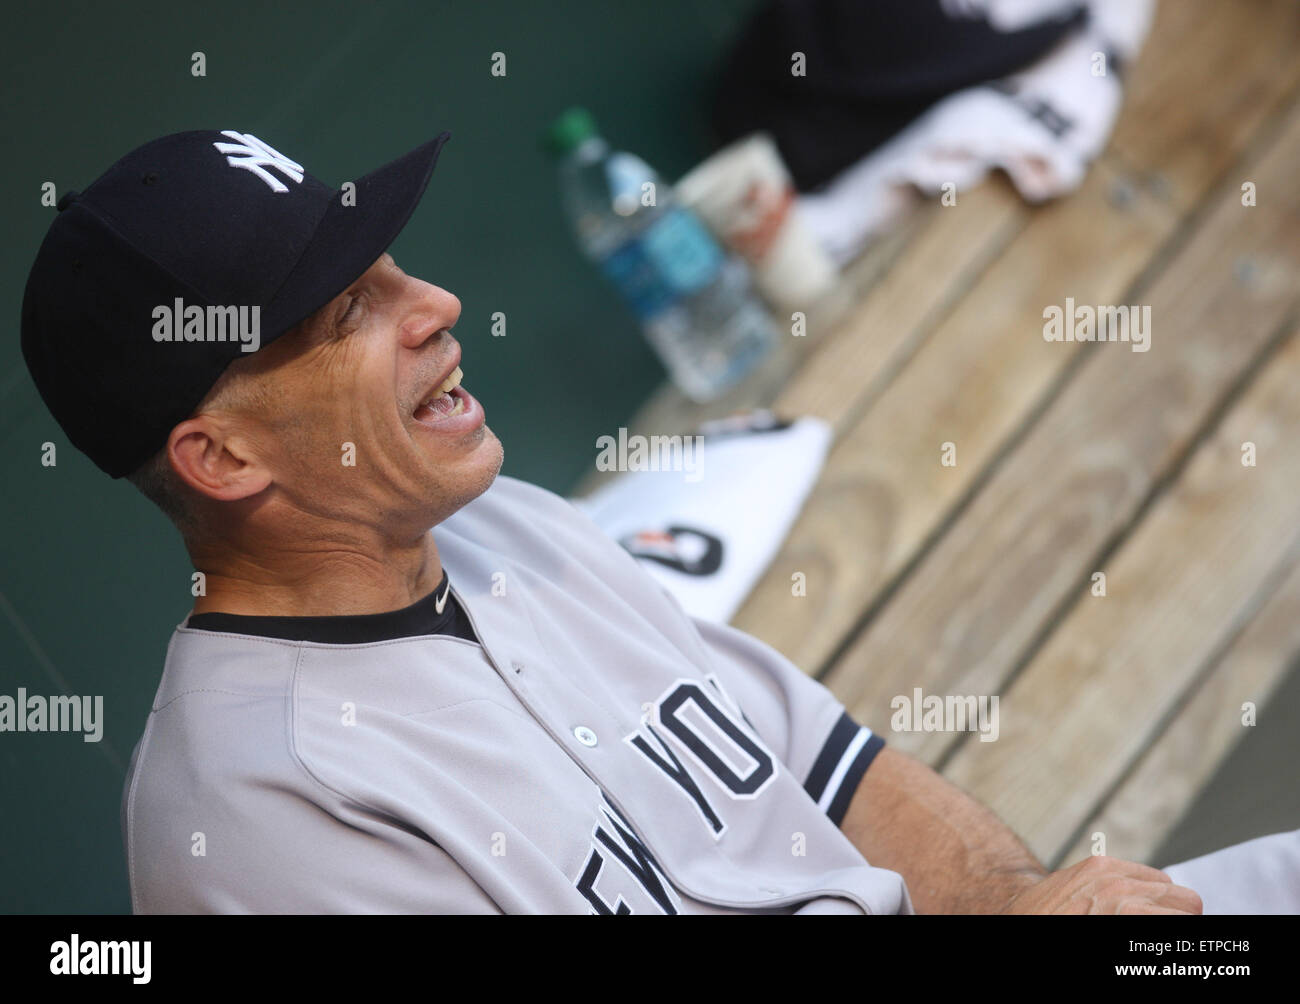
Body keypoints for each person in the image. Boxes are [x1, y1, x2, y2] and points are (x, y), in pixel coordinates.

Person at [19, 128, 1288, 914]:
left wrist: (1009, 903)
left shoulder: (506, 524)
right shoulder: (258, 822)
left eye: (394, 267)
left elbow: (839, 769)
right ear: (219, 454)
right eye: (346, 310)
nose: (438, 303)